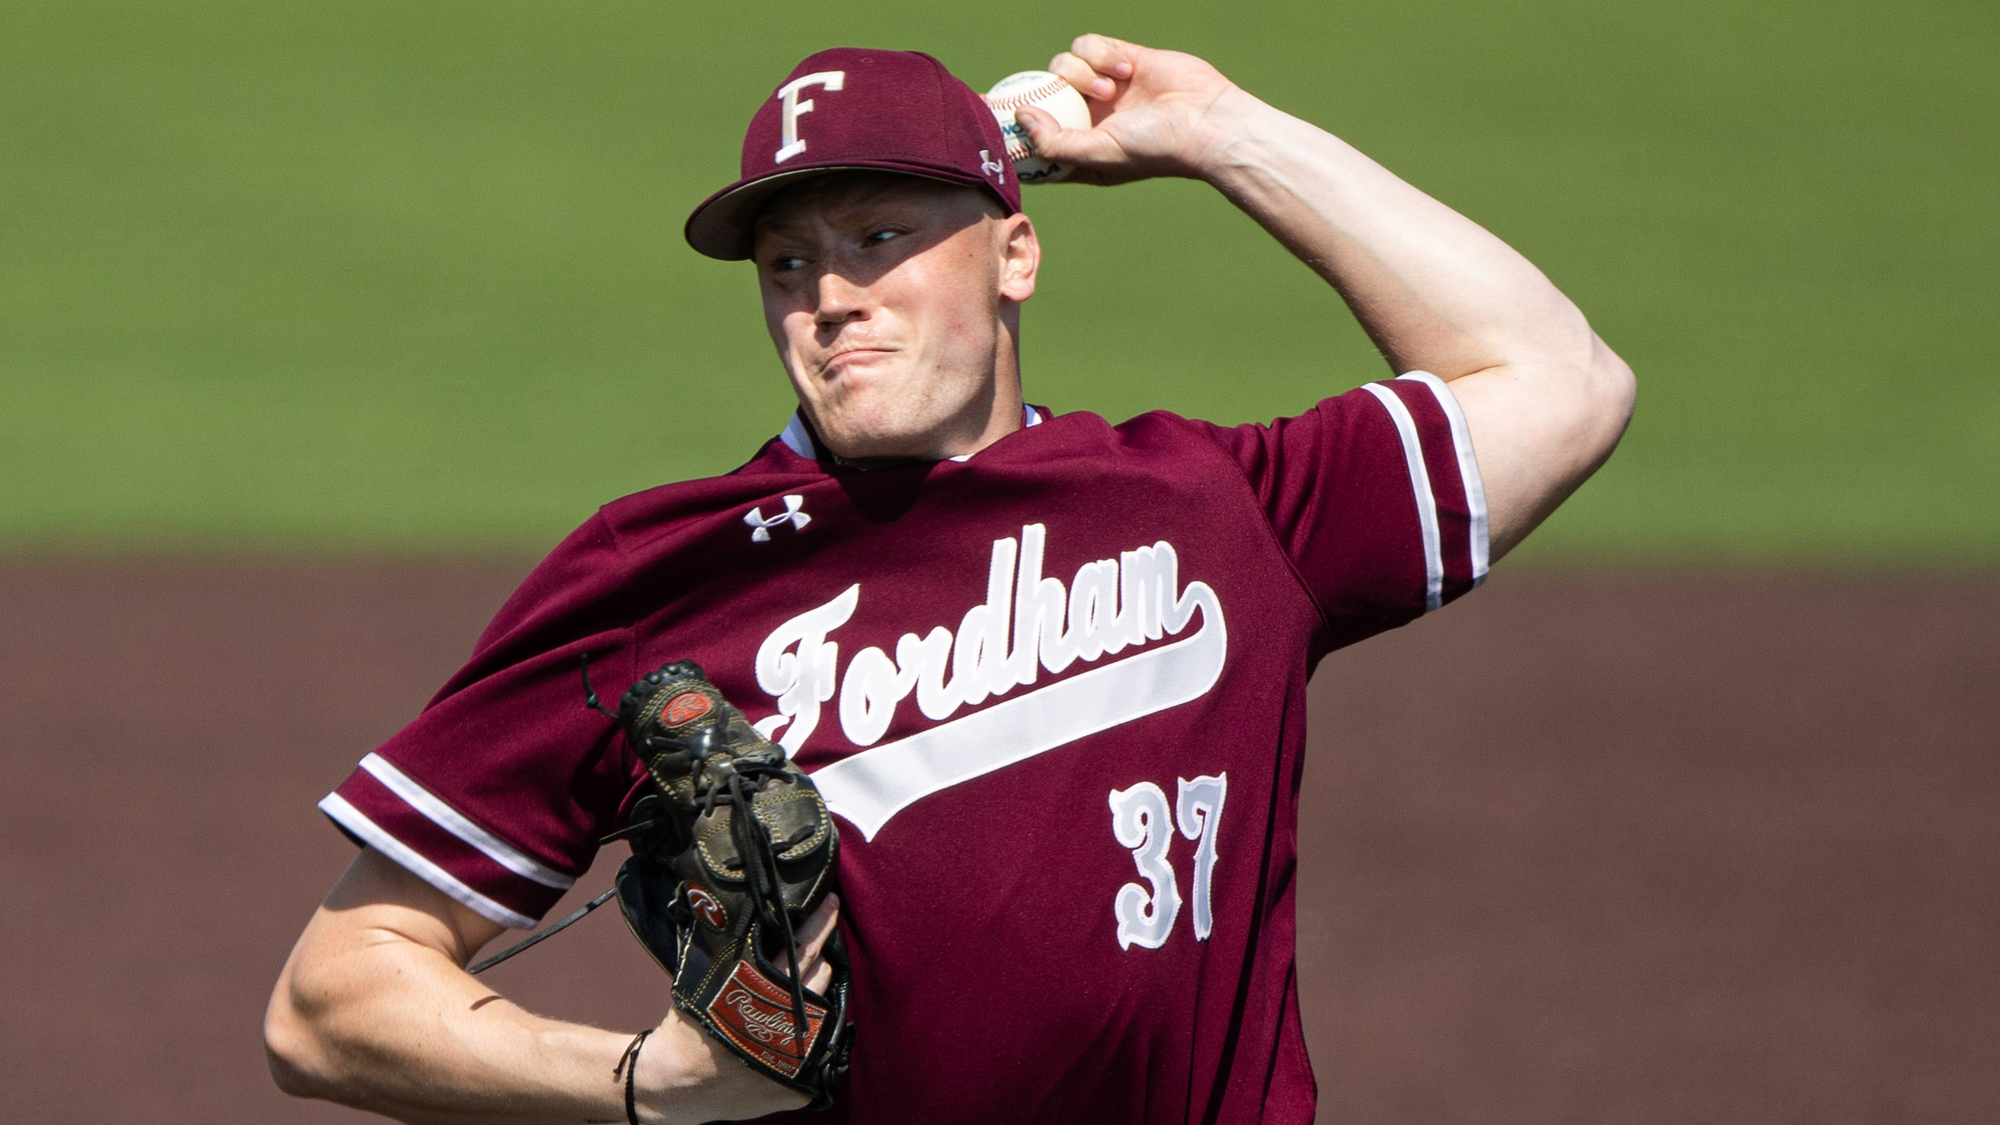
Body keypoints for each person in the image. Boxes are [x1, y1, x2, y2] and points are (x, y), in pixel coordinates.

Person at [265, 34, 1633, 1125]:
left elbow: (1562, 382)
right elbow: (329, 1000)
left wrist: (1224, 135)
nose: (829, 296)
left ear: (1014, 253)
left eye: (880, 238)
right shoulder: (657, 575)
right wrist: (648, 1084)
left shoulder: (1214, 509)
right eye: (788, 261)